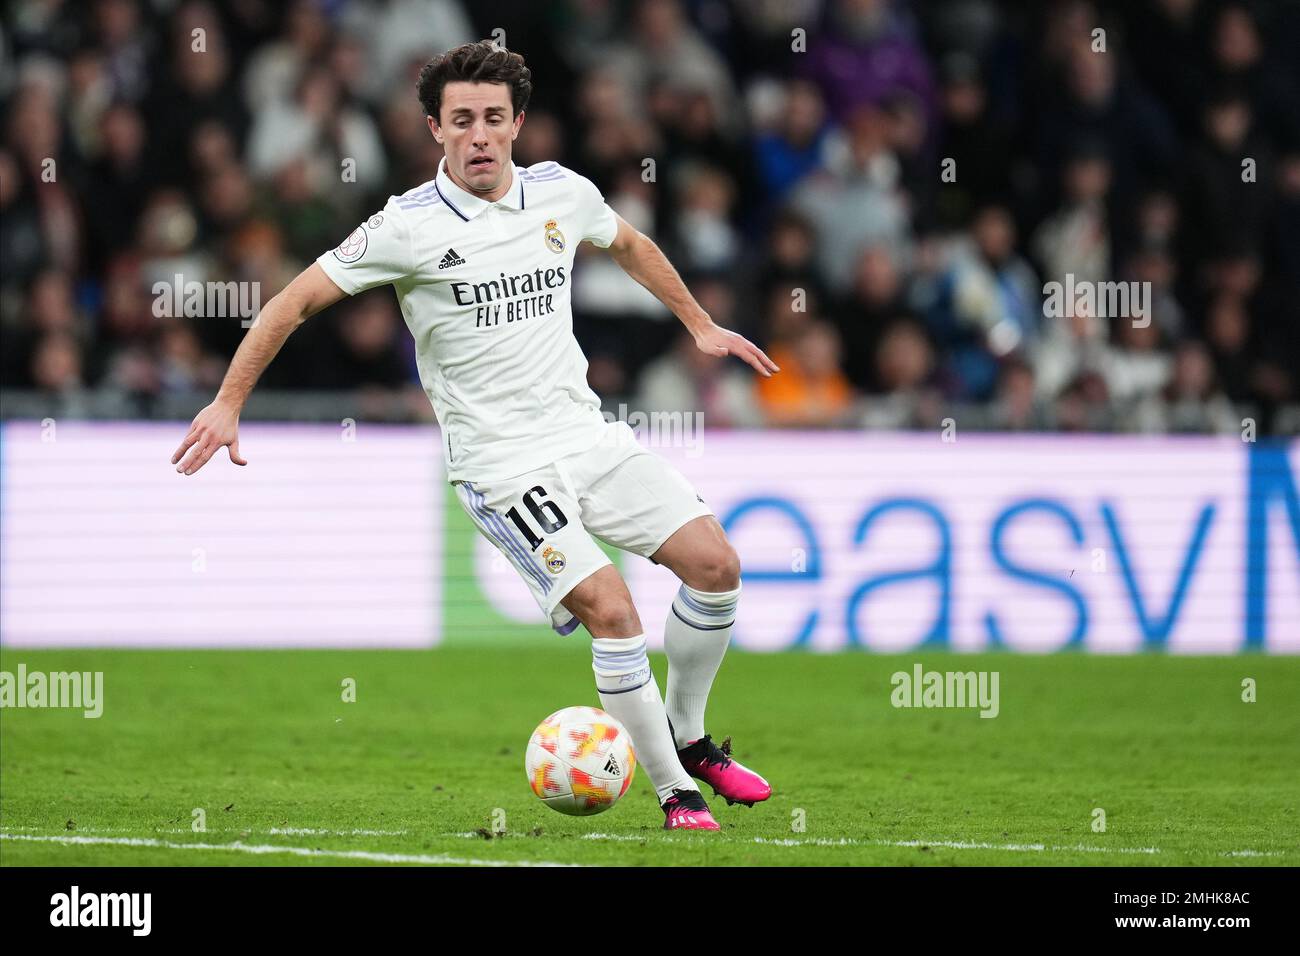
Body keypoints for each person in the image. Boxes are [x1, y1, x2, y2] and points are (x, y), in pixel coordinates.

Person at [170, 40, 776, 830]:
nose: (480, 135)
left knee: (716, 565)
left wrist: (699, 324)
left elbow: (627, 242)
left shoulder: (562, 192)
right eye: (463, 121)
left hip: (585, 434)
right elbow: (290, 302)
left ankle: (689, 737)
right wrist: (227, 400)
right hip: (501, 466)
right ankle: (677, 795)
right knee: (613, 608)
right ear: (436, 131)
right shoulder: (405, 227)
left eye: (494, 118)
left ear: (518, 122)